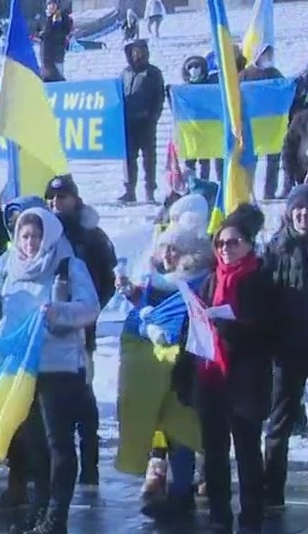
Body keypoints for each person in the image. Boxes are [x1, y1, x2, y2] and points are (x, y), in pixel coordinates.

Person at [0, 208, 101, 534]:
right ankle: (39, 509)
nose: (30, 243)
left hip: (58, 367)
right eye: (25, 236)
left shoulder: (68, 265)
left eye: (36, 236)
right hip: (21, 367)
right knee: (33, 444)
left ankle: (56, 516)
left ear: (48, 236)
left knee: (58, 444)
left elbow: (90, 308)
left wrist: (57, 311)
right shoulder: (8, 266)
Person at [116, 217, 211, 523]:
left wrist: (155, 324)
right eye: (165, 248)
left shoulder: (199, 281)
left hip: (186, 366)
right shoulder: (158, 282)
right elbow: (149, 314)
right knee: (169, 430)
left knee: (183, 428)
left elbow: (182, 317)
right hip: (156, 367)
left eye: (175, 249)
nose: (168, 255)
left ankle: (183, 493)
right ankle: (177, 491)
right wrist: (136, 299)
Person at [189, 204, 275, 532]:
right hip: (212, 376)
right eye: (221, 243)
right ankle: (219, 515)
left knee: (247, 450)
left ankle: (251, 515)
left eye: (234, 242)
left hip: (246, 378)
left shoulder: (260, 279)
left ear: (249, 244)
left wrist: (230, 327)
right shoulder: (211, 281)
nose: (226, 248)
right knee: (214, 451)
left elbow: (267, 328)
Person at [260, 185, 308, 514]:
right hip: (286, 347)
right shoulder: (275, 248)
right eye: (298, 208)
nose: (304, 214)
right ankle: (272, 492)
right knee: (279, 423)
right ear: (289, 213)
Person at [43, 175, 117, 486]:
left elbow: (107, 281)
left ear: (75, 199)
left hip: (81, 329)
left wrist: (86, 310)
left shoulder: (90, 235)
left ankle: (89, 465)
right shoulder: (45, 232)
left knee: (83, 397)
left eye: (62, 197)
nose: (55, 203)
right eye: (51, 198)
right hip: (48, 330)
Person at [119, 39, 166, 204]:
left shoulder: (153, 73)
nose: (137, 55)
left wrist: (153, 116)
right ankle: (129, 191)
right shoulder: (125, 73)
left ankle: (150, 190)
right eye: (135, 51)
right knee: (129, 159)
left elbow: (159, 97)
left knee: (149, 159)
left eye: (140, 51)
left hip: (146, 123)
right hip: (128, 123)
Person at [37, 0, 72, 83]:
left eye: (54, 4)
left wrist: (58, 23)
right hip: (46, 53)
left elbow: (67, 30)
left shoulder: (63, 16)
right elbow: (38, 32)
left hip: (58, 51)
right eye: (50, 4)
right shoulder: (42, 18)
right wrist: (50, 21)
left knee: (59, 75)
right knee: (47, 76)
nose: (52, 6)